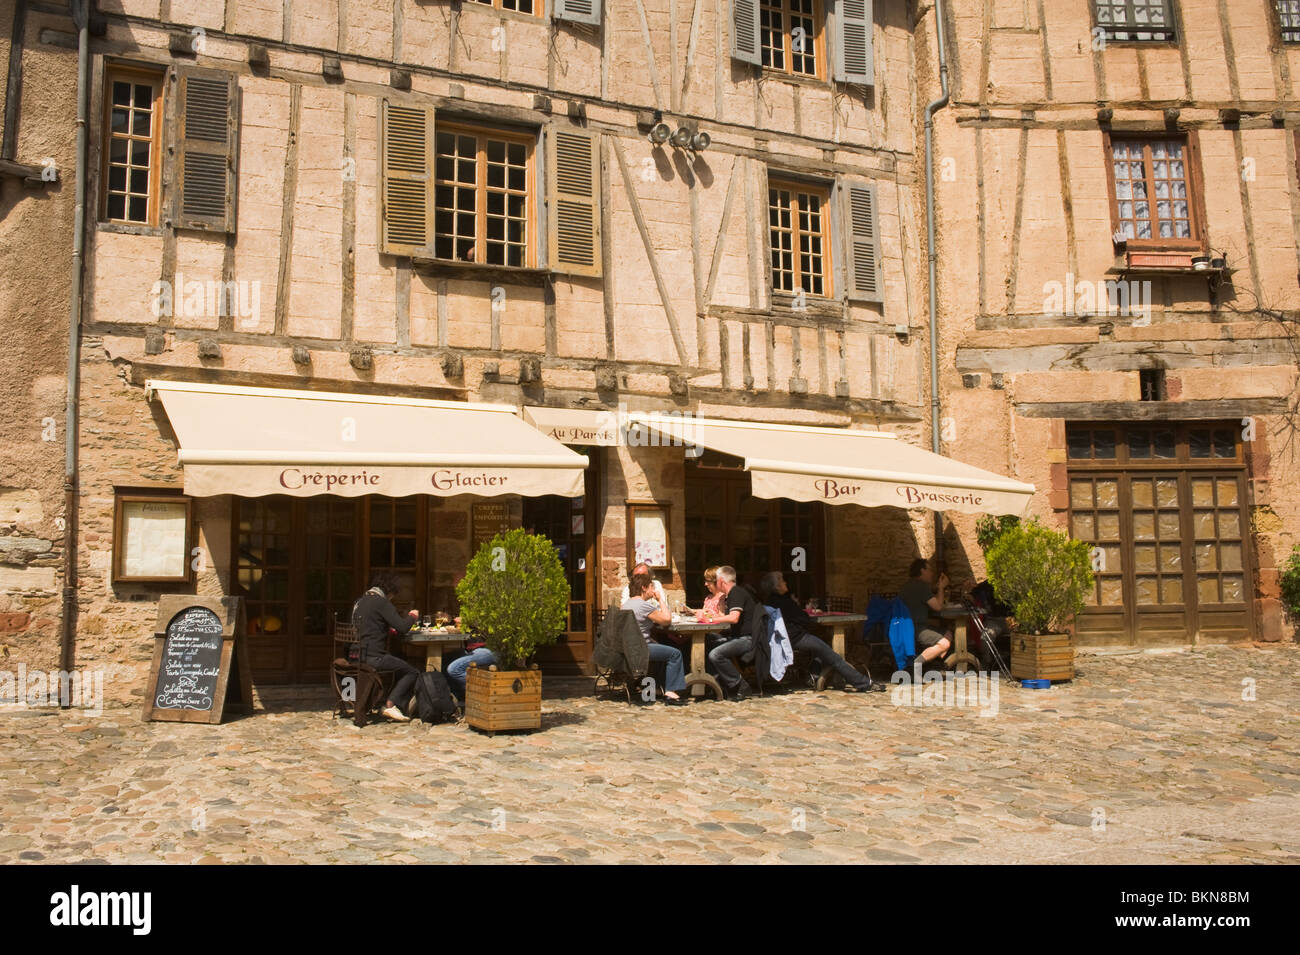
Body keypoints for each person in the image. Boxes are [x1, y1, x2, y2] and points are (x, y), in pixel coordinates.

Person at [759, 572, 881, 692]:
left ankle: (814, 674)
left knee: (822, 644)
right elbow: (805, 619)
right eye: (782, 580)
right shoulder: (785, 602)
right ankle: (863, 683)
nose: (785, 582)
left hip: (782, 639)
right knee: (834, 658)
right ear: (777, 587)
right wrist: (798, 607)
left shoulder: (769, 601)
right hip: (797, 638)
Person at [352, 573, 422, 722]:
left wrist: (385, 628)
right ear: (390, 590)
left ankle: (389, 701)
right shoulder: (381, 602)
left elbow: (368, 625)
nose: (392, 598)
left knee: (398, 663)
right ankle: (390, 704)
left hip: (356, 655)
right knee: (412, 671)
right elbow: (403, 627)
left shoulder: (360, 601)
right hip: (373, 657)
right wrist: (413, 616)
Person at [621, 571, 687, 705]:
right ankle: (670, 692)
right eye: (652, 587)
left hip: (628, 648)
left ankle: (654, 688)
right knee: (675, 654)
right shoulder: (643, 605)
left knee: (661, 647)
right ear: (644, 588)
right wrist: (660, 599)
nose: (654, 590)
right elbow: (666, 620)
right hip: (641, 650)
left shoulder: (625, 605)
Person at [707, 565, 758, 701]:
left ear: (722, 581)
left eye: (716, 580)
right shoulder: (731, 594)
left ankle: (739, 685)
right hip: (739, 637)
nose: (715, 583)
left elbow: (733, 618)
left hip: (748, 639)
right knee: (710, 643)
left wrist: (711, 619)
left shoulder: (736, 592)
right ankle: (719, 684)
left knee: (715, 654)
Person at [899, 557, 953, 668]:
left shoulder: (908, 585)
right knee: (945, 642)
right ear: (922, 570)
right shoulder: (921, 586)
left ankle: (933, 664)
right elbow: (938, 607)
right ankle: (916, 665)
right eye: (930, 570)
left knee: (948, 634)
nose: (932, 573)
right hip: (916, 629)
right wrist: (941, 587)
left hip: (906, 627)